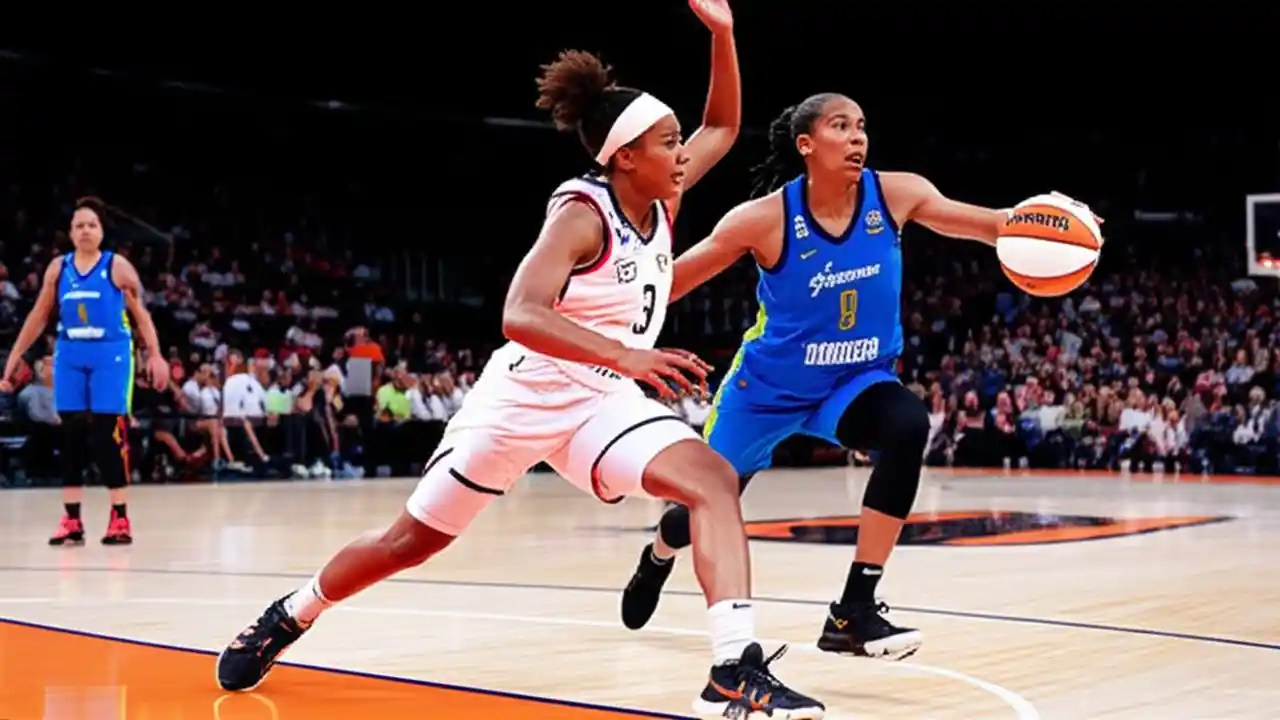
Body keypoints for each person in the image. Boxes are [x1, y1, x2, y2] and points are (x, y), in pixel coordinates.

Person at [216, 4, 825, 717]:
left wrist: (723, 35)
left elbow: (721, 126)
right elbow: (520, 313)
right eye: (667, 142)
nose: (683, 153)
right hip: (524, 399)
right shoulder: (582, 213)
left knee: (714, 482)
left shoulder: (660, 194)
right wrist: (626, 353)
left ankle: (732, 667)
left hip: (601, 400)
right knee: (408, 542)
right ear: (624, 156)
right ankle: (293, 612)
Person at [618, 92, 1102, 661]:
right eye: (840, 126)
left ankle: (853, 610)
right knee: (705, 505)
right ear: (806, 145)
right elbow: (665, 284)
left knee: (906, 424)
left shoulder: (895, 194)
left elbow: (995, 225)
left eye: (862, 127)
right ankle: (658, 554)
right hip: (766, 391)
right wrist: (605, 335)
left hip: (852, 382)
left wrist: (1065, 223)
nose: (857, 138)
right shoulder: (762, 220)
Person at [0, 196, 169, 545]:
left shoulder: (116, 266)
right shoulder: (58, 269)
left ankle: (119, 518)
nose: (86, 230)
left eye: (92, 224)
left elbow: (141, 316)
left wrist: (154, 354)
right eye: (79, 225)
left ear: (102, 231)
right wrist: (15, 355)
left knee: (108, 435)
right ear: (71, 232)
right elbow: (38, 316)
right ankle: (72, 520)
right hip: (71, 354)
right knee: (72, 436)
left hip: (112, 355)